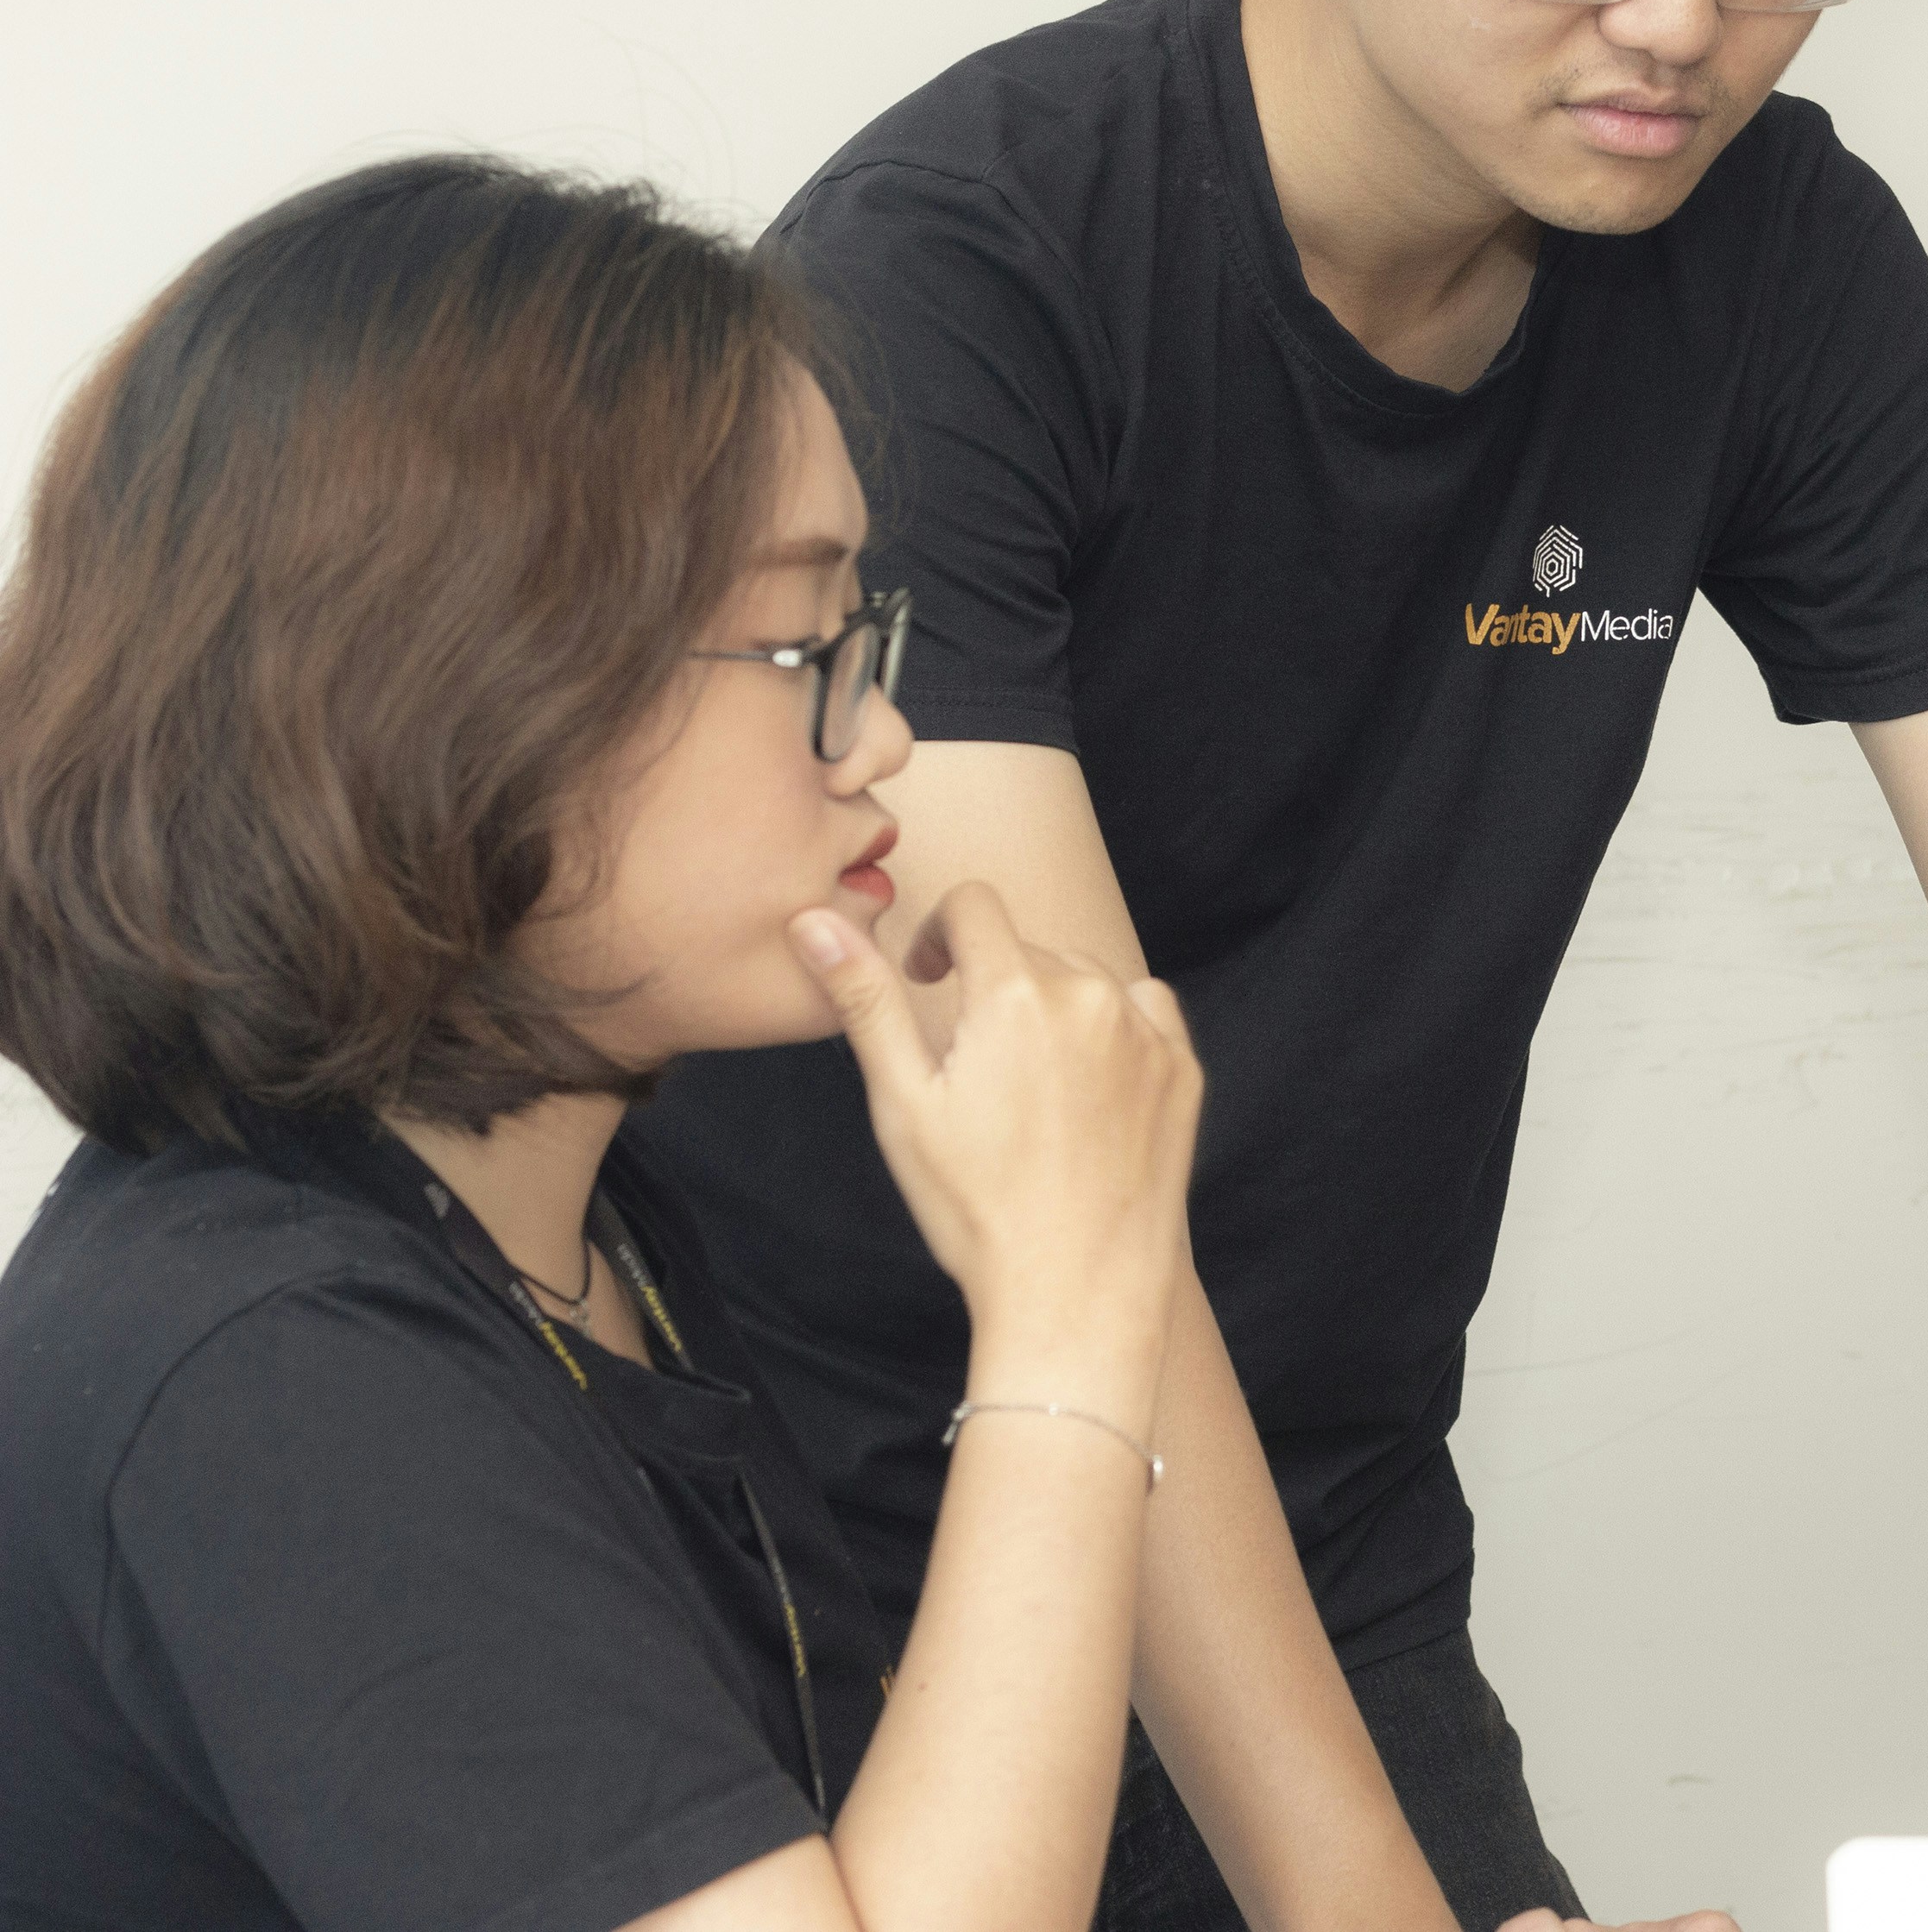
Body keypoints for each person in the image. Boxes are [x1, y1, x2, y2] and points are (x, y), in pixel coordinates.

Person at [629, 0, 1928, 1926]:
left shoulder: (1780, 268)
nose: (1678, 14)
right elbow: (1063, 1146)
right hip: (835, 1528)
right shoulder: (966, 278)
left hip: (1316, 1522)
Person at [0, 155, 1216, 1931]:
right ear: (453, 684)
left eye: (864, 628)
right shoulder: (266, 1368)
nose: (880, 741)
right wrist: (1068, 1309)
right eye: (807, 642)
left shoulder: (570, 1214)